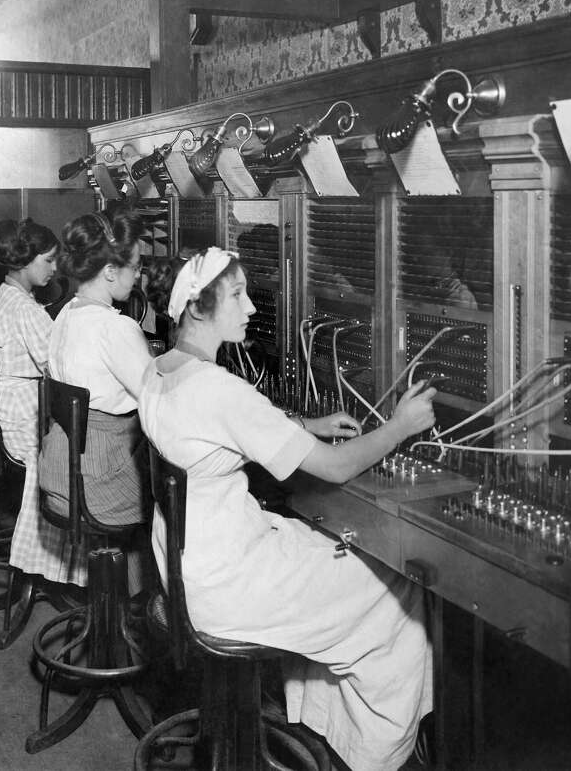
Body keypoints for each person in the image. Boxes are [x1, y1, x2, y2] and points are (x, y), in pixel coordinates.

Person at [137, 246, 438, 771]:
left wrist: (304, 425)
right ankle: (372, 758)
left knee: (323, 550)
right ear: (198, 309)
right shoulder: (219, 389)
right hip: (227, 587)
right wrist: (400, 427)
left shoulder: (158, 370)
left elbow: (223, 432)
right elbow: (337, 469)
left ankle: (323, 731)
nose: (252, 308)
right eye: (237, 295)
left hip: (183, 568)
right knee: (400, 592)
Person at [37, 208, 151, 588]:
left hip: (58, 470)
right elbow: (161, 404)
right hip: (98, 481)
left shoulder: (64, 315)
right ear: (109, 271)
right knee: (187, 497)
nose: (139, 276)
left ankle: (125, 601)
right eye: (135, 266)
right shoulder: (116, 328)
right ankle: (155, 611)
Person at [0, 218, 71, 582]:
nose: (54, 267)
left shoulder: (4, 297)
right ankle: (54, 566)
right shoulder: (27, 311)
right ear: (24, 261)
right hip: (19, 427)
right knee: (79, 456)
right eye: (48, 260)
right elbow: (63, 369)